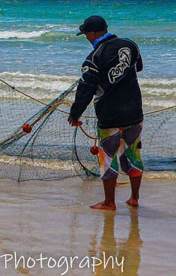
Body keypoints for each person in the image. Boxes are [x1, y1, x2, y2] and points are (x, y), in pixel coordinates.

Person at [67, 15, 144, 211]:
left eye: (86, 34)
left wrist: (75, 115)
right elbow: (139, 67)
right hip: (135, 112)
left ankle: (109, 203)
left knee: (108, 158)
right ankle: (134, 198)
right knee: (133, 154)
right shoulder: (130, 45)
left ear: (92, 34)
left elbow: (86, 90)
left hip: (109, 116)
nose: (86, 38)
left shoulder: (94, 58)